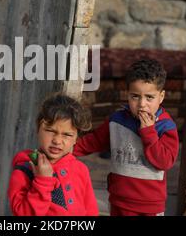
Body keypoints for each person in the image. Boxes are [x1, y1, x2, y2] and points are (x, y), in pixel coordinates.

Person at [74, 59, 179, 216]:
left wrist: (149, 132)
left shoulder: (165, 126)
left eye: (149, 97)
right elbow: (94, 141)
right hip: (118, 200)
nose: (142, 104)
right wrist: (65, 149)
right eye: (135, 96)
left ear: (161, 96)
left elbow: (164, 161)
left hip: (149, 205)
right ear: (127, 94)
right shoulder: (117, 120)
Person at [8, 93, 99, 216]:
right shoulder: (25, 169)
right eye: (50, 131)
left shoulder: (80, 170)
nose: (57, 140)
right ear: (37, 129)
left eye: (67, 135)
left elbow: (90, 210)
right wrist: (42, 181)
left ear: (76, 138)